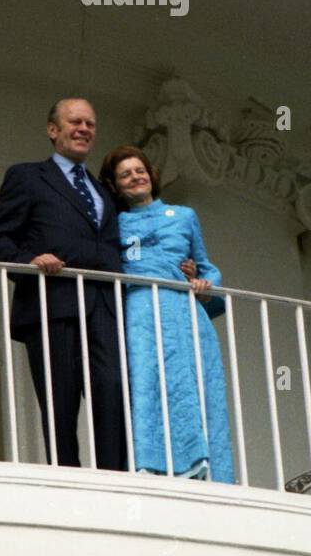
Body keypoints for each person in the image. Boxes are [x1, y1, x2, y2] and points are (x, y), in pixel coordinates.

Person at [0, 98, 126, 470]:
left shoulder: (105, 191)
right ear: (53, 130)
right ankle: (68, 480)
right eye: (75, 122)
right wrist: (26, 262)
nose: (83, 129)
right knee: (60, 399)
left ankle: (115, 482)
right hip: (52, 304)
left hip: (104, 308)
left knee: (112, 393)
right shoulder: (28, 176)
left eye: (90, 124)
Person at [100, 145, 235, 483]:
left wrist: (202, 281)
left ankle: (200, 464)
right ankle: (151, 463)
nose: (135, 177)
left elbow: (209, 268)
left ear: (152, 175)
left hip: (182, 310)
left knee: (191, 382)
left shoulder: (184, 215)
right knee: (146, 380)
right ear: (115, 186)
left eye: (139, 170)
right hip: (141, 307)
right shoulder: (116, 224)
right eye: (125, 175)